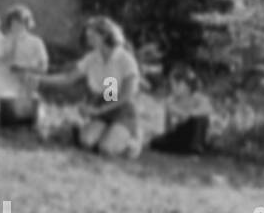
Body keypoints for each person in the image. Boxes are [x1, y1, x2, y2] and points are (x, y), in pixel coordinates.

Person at [41, 16, 142, 158]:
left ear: (105, 35)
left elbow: (126, 96)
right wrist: (40, 79)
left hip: (123, 109)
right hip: (105, 105)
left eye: (92, 35)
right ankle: (106, 132)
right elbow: (68, 78)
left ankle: (132, 142)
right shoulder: (93, 57)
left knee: (107, 149)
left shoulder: (125, 59)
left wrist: (98, 109)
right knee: (86, 142)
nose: (88, 38)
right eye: (88, 35)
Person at [149, 65, 213, 155]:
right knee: (156, 141)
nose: (173, 88)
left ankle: (195, 146)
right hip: (179, 134)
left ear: (186, 85)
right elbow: (172, 121)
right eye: (172, 85)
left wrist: (190, 114)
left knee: (200, 119)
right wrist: (185, 115)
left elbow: (207, 109)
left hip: (193, 133)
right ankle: (188, 148)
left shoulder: (197, 97)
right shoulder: (171, 100)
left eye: (175, 84)